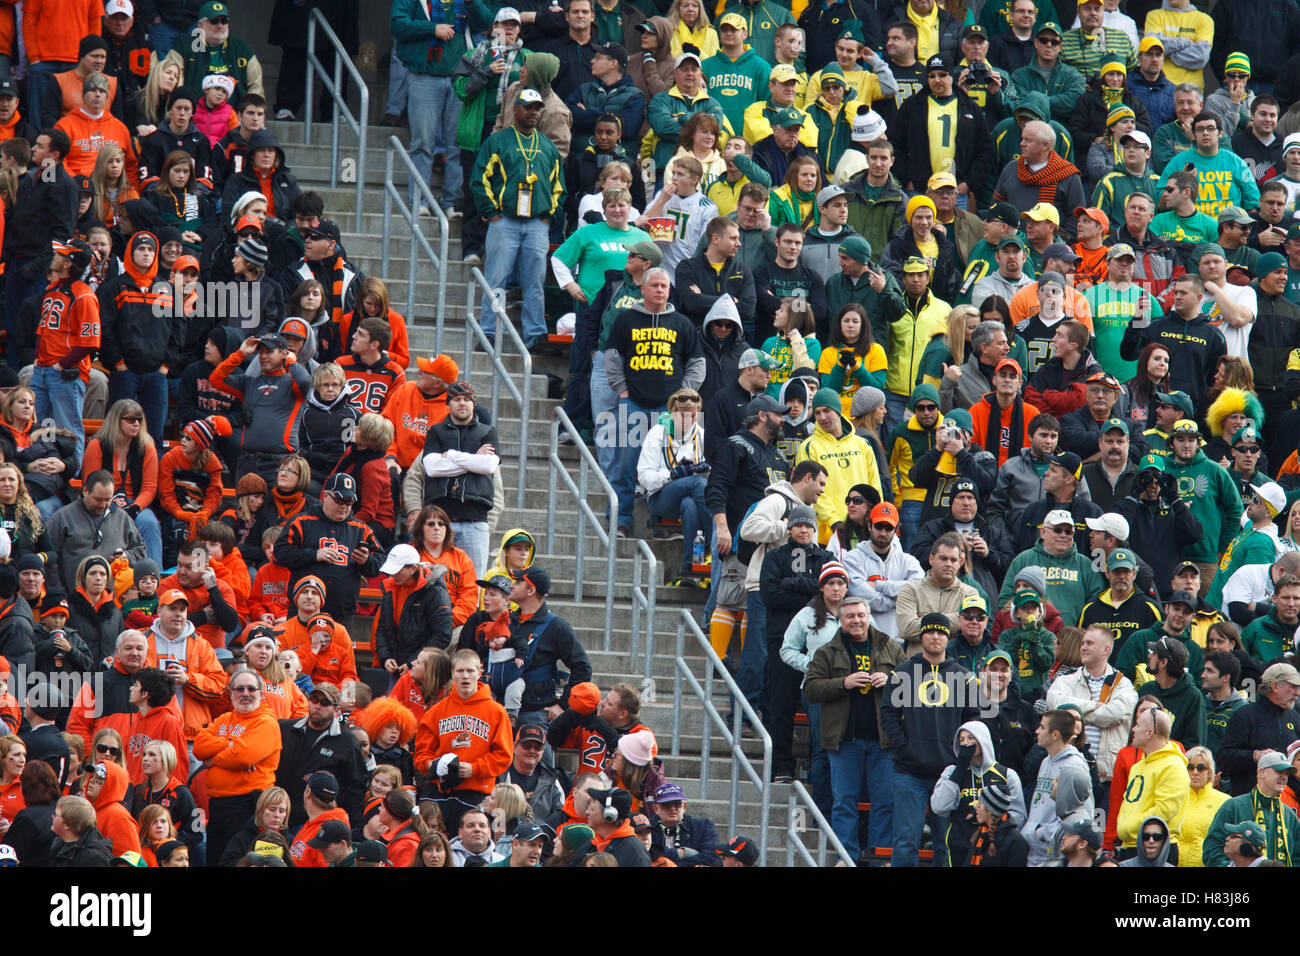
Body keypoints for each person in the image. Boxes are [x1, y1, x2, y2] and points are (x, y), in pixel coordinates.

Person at [413, 648, 513, 830]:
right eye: (460, 671)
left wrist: (474, 769)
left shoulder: (496, 712)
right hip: (440, 791)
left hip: (476, 793)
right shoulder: (437, 710)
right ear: (452, 673)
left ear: (480, 673)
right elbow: (421, 755)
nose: (465, 676)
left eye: (470, 671)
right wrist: (433, 765)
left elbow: (504, 756)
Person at [193, 667, 282, 867]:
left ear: (261, 693)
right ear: (230, 692)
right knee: (216, 861)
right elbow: (199, 747)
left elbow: (244, 756)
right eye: (239, 689)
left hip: (249, 805)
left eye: (251, 688)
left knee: (241, 862)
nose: (245, 693)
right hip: (218, 805)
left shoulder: (266, 722)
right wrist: (230, 745)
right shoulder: (224, 719)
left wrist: (213, 760)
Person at [1163, 418, 1243, 589]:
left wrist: (1223, 547)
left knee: (1207, 611)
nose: (1186, 445)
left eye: (1191, 440)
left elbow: (1235, 509)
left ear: (1198, 443)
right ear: (1171, 444)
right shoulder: (1162, 470)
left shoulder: (1214, 470)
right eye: (1181, 439)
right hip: (1169, 555)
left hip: (1206, 558)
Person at [1022, 708, 1095, 865]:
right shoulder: (1045, 761)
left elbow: (1083, 814)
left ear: (1055, 734)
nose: (1036, 731)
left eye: (1042, 727)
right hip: (1033, 853)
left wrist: (1042, 833)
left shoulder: (1074, 765)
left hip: (1053, 854)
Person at [1203, 750, 1300, 866]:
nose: (1284, 777)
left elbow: (1297, 857)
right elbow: (1211, 850)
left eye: (1287, 773)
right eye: (1279, 771)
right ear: (1261, 772)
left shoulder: (1289, 815)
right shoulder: (1233, 807)